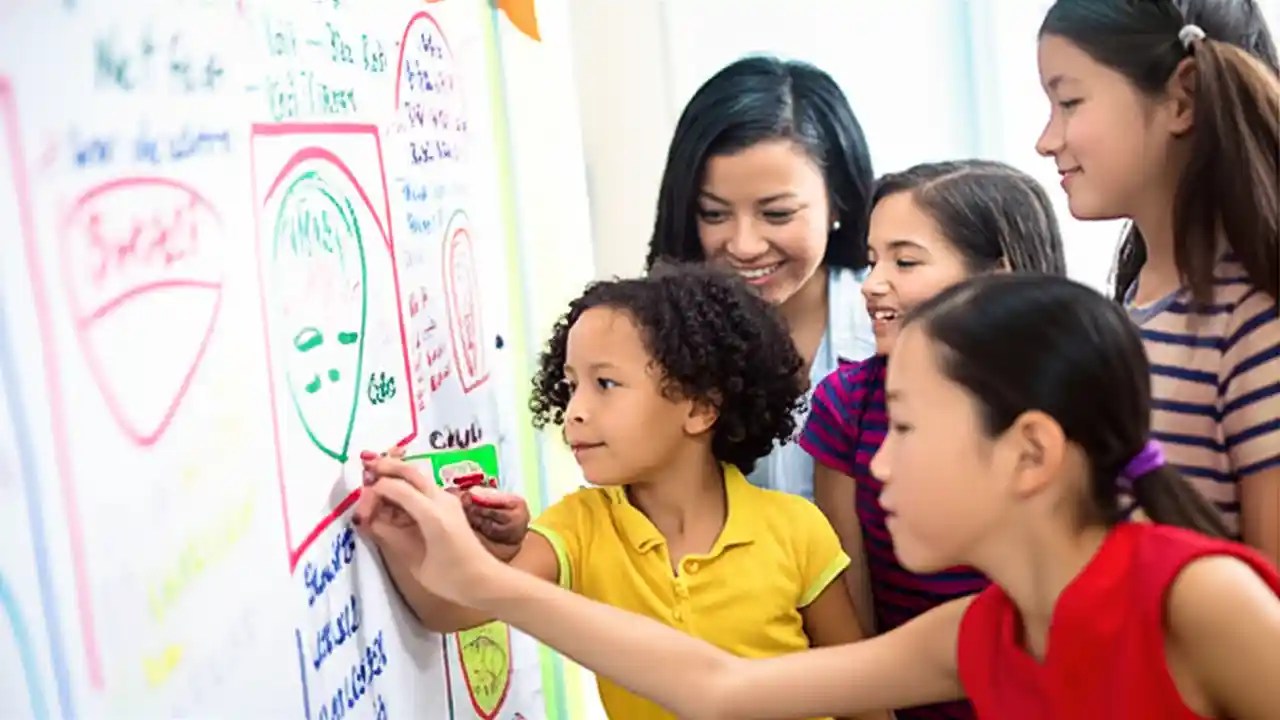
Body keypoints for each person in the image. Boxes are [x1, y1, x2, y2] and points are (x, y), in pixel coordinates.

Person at [360, 274, 1280, 719]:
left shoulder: (1202, 601)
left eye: (906, 428)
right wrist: (474, 573)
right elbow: (719, 689)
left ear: (1029, 451)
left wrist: (488, 581)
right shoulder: (976, 633)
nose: (876, 467)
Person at [356, 262, 886, 720]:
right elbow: (455, 608)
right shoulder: (579, 526)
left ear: (700, 407)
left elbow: (863, 695)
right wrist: (403, 535)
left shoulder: (796, 530)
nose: (575, 411)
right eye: (571, 385)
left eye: (605, 384)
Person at [799, 160, 1067, 720]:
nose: (871, 284)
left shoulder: (1070, 401)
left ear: (996, 277)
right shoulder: (847, 405)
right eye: (872, 260)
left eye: (905, 261)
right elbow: (852, 619)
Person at [1035, 0, 1280, 562]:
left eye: (1069, 102)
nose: (1046, 140)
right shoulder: (1136, 298)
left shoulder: (1252, 323)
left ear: (1181, 98)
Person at [647, 55, 878, 501]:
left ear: (839, 201)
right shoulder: (656, 335)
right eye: (714, 214)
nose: (744, 245)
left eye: (777, 214)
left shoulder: (895, 327)